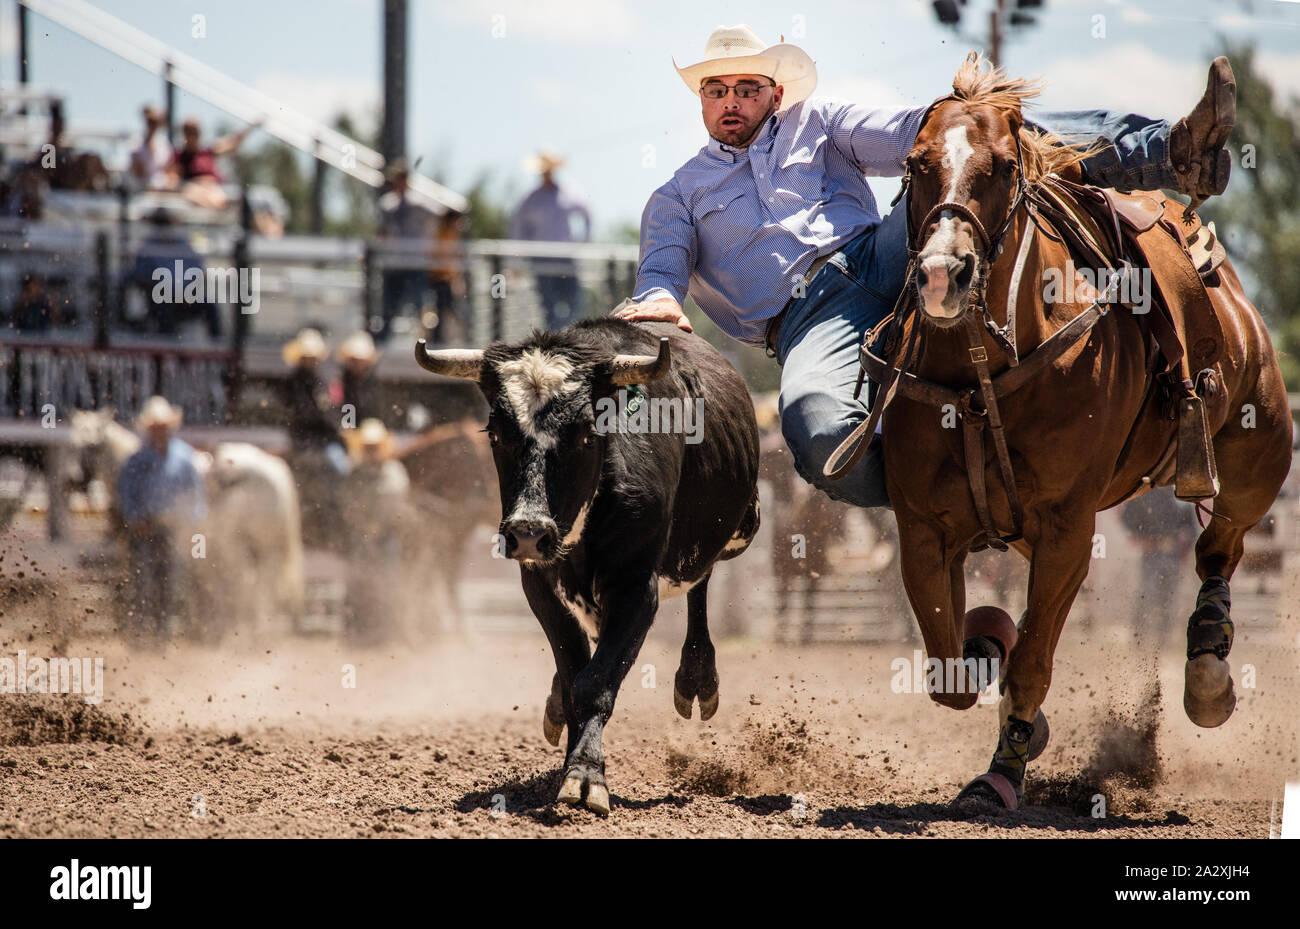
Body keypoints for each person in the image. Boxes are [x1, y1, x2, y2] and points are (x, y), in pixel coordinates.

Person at [615, 25, 1239, 510]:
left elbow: (919, 134)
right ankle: (938, 495)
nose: (732, 102)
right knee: (818, 433)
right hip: (806, 318)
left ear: (775, 94)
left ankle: (1169, 150)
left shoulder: (819, 123)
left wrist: (960, 124)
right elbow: (660, 278)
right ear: (701, 100)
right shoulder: (677, 197)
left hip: (886, 251)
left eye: (747, 89)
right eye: (717, 90)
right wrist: (660, 302)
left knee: (968, 128)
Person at [116, 396, 206, 647]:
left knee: (169, 580)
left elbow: (196, 495)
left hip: (173, 528)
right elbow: (126, 493)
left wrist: (192, 524)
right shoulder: (137, 459)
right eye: (156, 426)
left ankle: (163, 633)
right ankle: (140, 631)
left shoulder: (185, 457)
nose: (161, 430)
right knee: (142, 580)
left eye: (164, 426)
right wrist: (135, 519)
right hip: (145, 527)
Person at [340, 418, 410, 644]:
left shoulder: (393, 472)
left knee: (388, 584)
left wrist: (377, 527)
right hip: (363, 536)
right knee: (357, 583)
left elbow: (397, 507)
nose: (371, 451)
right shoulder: (356, 473)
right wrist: (362, 526)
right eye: (368, 447)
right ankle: (357, 630)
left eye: (374, 447)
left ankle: (388, 631)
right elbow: (348, 505)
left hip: (386, 536)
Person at [511, 150, 591, 329]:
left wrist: (582, 242)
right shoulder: (530, 198)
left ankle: (568, 335)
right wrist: (516, 260)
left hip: (565, 256)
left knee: (574, 300)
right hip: (540, 258)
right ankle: (555, 338)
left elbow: (587, 214)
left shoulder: (568, 192)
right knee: (548, 303)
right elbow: (519, 230)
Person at [129, 207, 222, 338]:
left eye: (165, 223)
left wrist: (185, 289)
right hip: (159, 296)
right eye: (160, 223)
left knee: (210, 306)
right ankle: (167, 341)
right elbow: (140, 275)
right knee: (163, 305)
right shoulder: (147, 247)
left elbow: (198, 272)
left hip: (187, 296)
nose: (163, 228)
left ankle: (216, 343)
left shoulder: (183, 245)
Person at [377, 158, 435, 342]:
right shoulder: (387, 204)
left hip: (414, 264)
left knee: (420, 305)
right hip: (394, 264)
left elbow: (435, 216)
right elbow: (383, 231)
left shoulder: (420, 203)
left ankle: (428, 341)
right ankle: (383, 342)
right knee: (389, 308)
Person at [168, 117, 259, 209]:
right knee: (193, 194)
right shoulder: (180, 156)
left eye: (195, 132)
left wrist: (251, 126)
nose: (193, 136)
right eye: (189, 133)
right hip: (194, 188)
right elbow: (173, 178)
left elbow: (233, 141)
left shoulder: (207, 151)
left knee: (224, 199)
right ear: (185, 135)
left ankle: (218, 209)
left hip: (213, 188)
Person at [428, 208, 468, 344]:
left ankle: (442, 339)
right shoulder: (443, 235)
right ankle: (439, 340)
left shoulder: (451, 235)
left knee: (448, 311)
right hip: (440, 279)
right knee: (448, 311)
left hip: (446, 279)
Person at [336, 330, 381, 424]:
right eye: (355, 360)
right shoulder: (341, 381)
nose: (358, 365)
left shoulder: (372, 382)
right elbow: (343, 409)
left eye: (361, 361)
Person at [129, 105, 175, 190]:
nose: (153, 126)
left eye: (156, 122)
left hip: (161, 188)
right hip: (140, 189)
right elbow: (139, 172)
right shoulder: (136, 142)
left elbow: (169, 168)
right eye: (150, 122)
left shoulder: (163, 143)